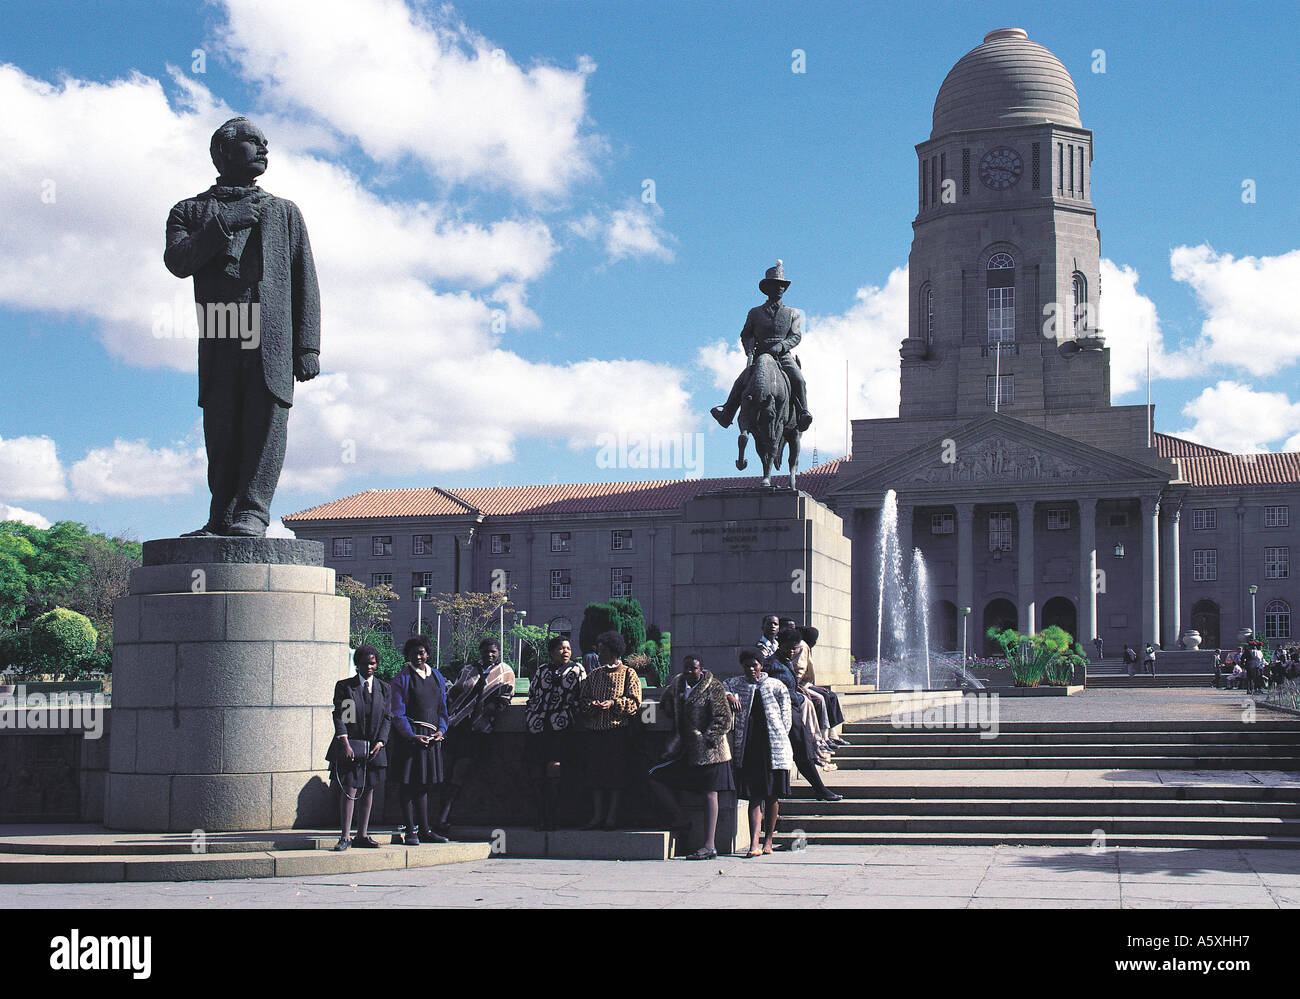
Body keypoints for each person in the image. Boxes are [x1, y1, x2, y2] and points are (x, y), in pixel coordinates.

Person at [165, 117, 320, 537]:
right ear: (223, 152)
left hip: (272, 337)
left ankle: (253, 512)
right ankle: (221, 515)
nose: (264, 148)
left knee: (265, 421)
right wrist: (223, 223)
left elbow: (304, 278)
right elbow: (178, 262)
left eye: (266, 142)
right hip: (222, 328)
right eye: (253, 142)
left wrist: (307, 346)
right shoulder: (190, 210)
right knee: (222, 425)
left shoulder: (284, 211)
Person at [648, 655, 735, 860]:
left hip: (711, 752)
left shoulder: (713, 686)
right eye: (686, 668)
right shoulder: (678, 683)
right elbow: (665, 702)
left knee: (709, 794)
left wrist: (705, 738)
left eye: (693, 669)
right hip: (683, 749)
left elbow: (724, 719)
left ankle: (709, 845)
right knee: (655, 776)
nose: (689, 672)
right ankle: (680, 819)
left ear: (701, 669)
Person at [710, 260, 812, 433]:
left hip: (783, 355)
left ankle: (803, 413)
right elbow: (746, 334)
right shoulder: (755, 312)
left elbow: (796, 336)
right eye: (776, 285)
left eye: (782, 285)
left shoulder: (792, 313)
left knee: (799, 380)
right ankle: (727, 414)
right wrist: (749, 348)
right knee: (740, 382)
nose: (780, 288)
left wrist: (781, 346)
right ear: (768, 288)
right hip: (761, 355)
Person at [434, 638, 515, 836]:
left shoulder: (505, 671)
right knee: (446, 770)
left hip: (480, 730)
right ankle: (436, 817)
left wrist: (492, 708)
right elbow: (453, 693)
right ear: (480, 651)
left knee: (461, 770)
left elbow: (506, 698)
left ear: (499, 653)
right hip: (457, 726)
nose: (489, 655)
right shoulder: (468, 670)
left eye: (493, 652)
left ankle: (444, 816)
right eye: (486, 651)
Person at [725, 650, 793, 857]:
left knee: (772, 796)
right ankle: (754, 842)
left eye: (754, 665)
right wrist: (729, 695)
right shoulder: (736, 683)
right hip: (749, 746)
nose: (751, 669)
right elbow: (721, 686)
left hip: (773, 746)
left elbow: (786, 714)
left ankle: (768, 840)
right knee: (754, 796)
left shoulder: (775, 685)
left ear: (761, 665)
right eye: (747, 665)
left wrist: (781, 734)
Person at [764, 627, 843, 801]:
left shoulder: (785, 661)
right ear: (780, 645)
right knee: (802, 752)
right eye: (789, 647)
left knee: (804, 752)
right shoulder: (771, 664)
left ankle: (820, 789)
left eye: (795, 648)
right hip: (781, 715)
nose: (792, 651)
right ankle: (819, 789)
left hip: (793, 712)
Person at [325, 645, 390, 851]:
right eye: (364, 663)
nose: (369, 667)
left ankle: (362, 834)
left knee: (369, 788)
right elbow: (344, 716)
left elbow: (387, 718)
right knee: (350, 790)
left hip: (374, 747)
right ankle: (345, 836)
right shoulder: (347, 687)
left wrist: (381, 741)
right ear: (357, 665)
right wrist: (345, 742)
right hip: (352, 745)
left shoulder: (383, 688)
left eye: (372, 663)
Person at [579, 631, 643, 829]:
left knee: (615, 776)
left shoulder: (628, 673)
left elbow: (635, 701)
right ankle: (597, 816)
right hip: (595, 731)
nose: (599, 655)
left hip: (617, 732)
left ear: (614, 651)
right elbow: (582, 700)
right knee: (595, 776)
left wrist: (614, 704)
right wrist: (592, 705)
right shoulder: (594, 675)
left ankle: (611, 817)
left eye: (603, 651)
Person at [388, 635, 448, 845]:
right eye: (414, 653)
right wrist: (411, 735)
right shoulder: (401, 678)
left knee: (423, 785)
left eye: (422, 652)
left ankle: (425, 830)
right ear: (408, 655)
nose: (418, 656)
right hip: (410, 739)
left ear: (428, 653)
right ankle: (410, 832)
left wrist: (441, 730)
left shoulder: (438, 676)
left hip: (431, 739)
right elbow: (397, 712)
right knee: (407, 786)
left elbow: (442, 709)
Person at [524, 635, 588, 830]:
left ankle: (552, 816)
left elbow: (583, 695)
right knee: (536, 772)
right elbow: (532, 695)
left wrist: (569, 712)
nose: (566, 651)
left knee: (555, 770)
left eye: (568, 648)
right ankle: (539, 816)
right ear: (552, 652)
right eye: (561, 648)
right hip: (537, 727)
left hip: (561, 727)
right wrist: (531, 715)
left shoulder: (577, 670)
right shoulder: (542, 670)